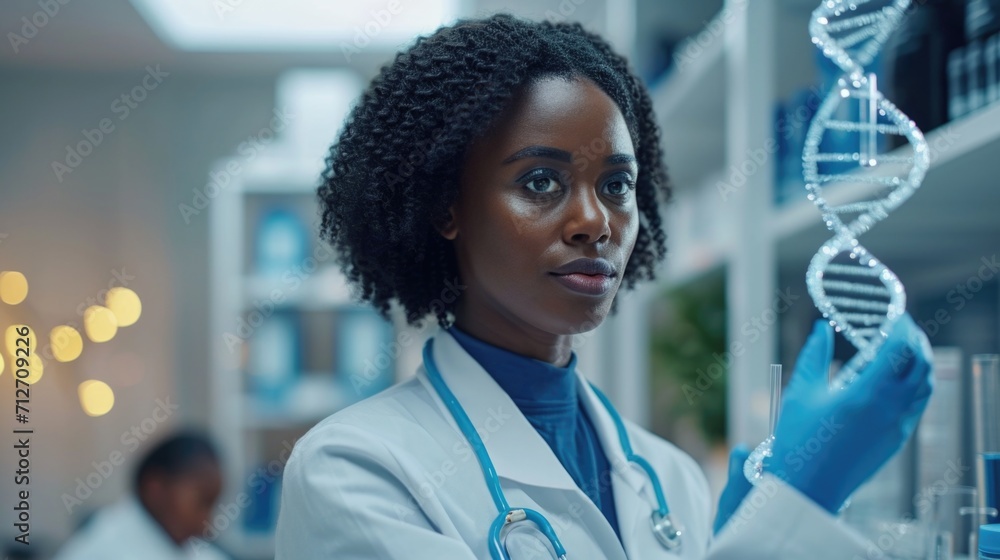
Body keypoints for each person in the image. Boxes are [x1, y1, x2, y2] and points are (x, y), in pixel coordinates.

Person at [274, 13, 933, 559]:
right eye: (540, 182)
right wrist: (798, 495)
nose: (595, 221)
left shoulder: (669, 479)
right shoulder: (354, 471)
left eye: (617, 185)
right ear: (446, 208)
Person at [53, 430, 229, 560]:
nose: (207, 524)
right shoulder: (101, 551)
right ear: (156, 489)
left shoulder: (192, 549)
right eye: (203, 503)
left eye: (213, 505)